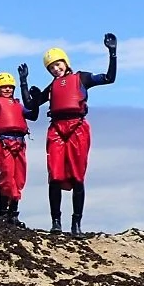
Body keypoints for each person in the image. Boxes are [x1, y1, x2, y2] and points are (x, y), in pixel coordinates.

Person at [21, 35, 117, 233]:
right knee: (54, 176)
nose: (56, 69)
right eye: (51, 68)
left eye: (58, 64)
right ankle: (56, 222)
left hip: (77, 128)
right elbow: (31, 105)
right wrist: (23, 83)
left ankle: (76, 224)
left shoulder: (81, 78)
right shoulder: (52, 87)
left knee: (77, 177)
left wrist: (112, 53)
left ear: (65, 62)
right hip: (57, 129)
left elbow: (109, 78)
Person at [0, 66, 37, 226]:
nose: (7, 89)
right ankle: (3, 213)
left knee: (18, 179)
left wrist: (36, 100)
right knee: (6, 177)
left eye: (10, 87)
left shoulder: (17, 105)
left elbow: (32, 115)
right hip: (4, 144)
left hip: (19, 144)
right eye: (3, 87)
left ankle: (13, 213)